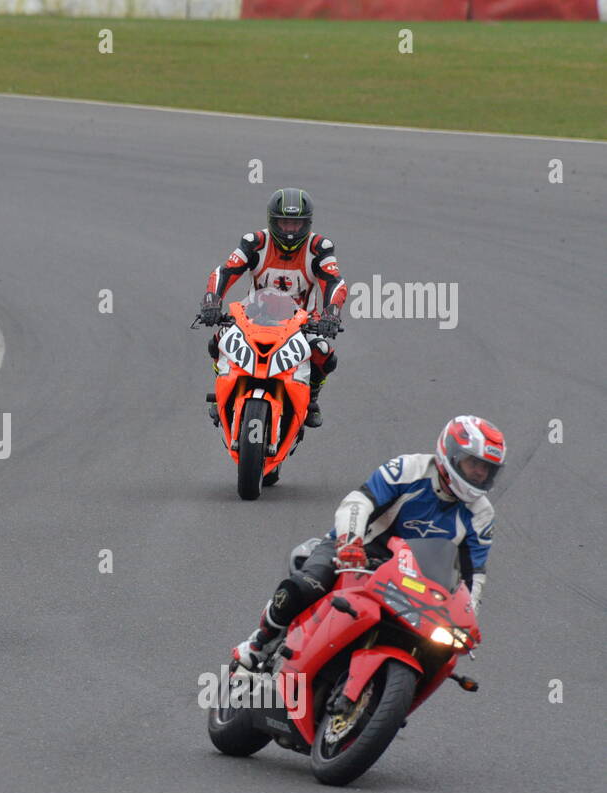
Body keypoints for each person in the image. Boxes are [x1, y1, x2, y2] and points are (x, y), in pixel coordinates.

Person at [232, 415, 506, 673]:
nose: (479, 474)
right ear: (451, 454)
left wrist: (467, 616)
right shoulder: (409, 469)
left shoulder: (482, 514)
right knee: (304, 587)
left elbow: (474, 574)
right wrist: (350, 542)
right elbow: (358, 502)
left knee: (439, 652)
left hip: (417, 584)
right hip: (360, 553)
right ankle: (259, 642)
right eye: (474, 464)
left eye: (486, 469)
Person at [197, 188, 347, 428]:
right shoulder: (254, 242)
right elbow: (224, 272)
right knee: (218, 341)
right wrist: (211, 300)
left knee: (323, 352)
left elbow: (335, 282)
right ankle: (221, 388)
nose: (289, 230)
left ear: (307, 223)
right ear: (272, 221)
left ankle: (311, 398)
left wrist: (332, 313)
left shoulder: (320, 247)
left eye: (295, 224)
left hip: (303, 320)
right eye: (284, 223)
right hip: (254, 317)